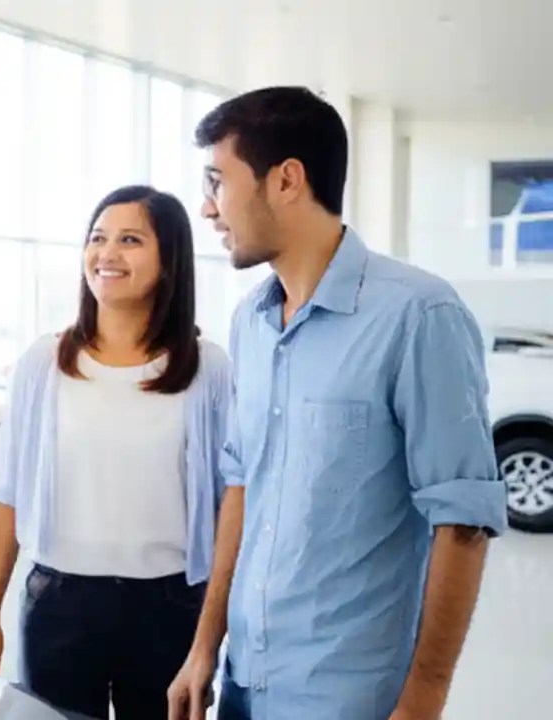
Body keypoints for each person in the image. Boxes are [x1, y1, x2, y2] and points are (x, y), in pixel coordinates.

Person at [166, 87, 508, 720]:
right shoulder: (251, 322)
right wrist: (203, 647)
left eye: (218, 181)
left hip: (350, 698)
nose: (208, 208)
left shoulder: (417, 315)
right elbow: (242, 486)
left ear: (287, 179)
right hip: (245, 683)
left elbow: (462, 522)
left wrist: (423, 702)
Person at [0, 185, 235, 719]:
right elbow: (9, 496)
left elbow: (231, 510)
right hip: (59, 605)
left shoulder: (208, 370)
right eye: (98, 238)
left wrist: (211, 636)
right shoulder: (44, 363)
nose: (107, 253)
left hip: (170, 607)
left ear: (170, 261)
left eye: (130, 239)